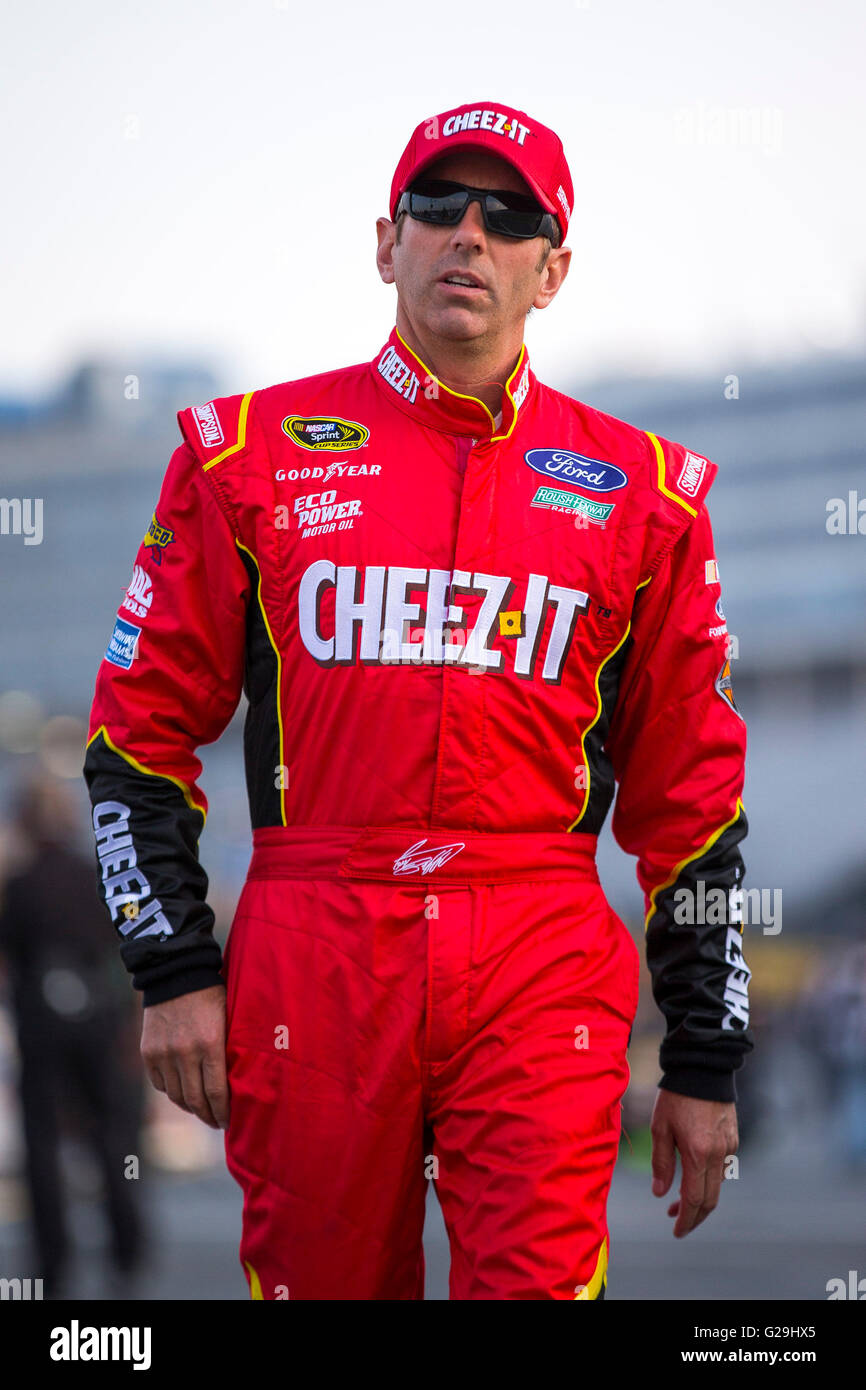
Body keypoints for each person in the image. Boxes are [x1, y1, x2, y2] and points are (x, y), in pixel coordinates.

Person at [83, 99, 752, 1301]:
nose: (469, 235)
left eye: (509, 217)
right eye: (438, 206)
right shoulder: (244, 454)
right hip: (316, 951)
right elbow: (134, 737)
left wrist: (703, 1058)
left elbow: (690, 802)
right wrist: (174, 971)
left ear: (552, 270)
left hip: (538, 950)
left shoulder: (646, 498)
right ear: (385, 243)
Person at [0, 776, 144, 1297]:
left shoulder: (20, 886)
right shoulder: (96, 878)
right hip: (102, 1025)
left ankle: (50, 1261)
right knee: (114, 1140)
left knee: (42, 1146)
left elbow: (9, 964)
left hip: (42, 1026)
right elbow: (127, 959)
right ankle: (126, 1250)